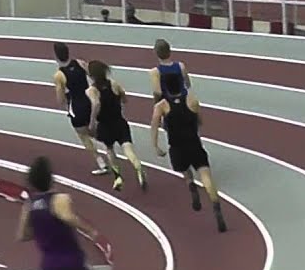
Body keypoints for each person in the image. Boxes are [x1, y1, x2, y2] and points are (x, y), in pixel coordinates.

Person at [150, 71, 227, 232]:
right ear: (181, 85)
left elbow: (154, 126)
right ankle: (216, 205)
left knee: (184, 170)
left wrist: (155, 145)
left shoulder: (161, 106)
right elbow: (200, 121)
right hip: (194, 144)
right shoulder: (192, 101)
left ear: (166, 88)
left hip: (177, 147)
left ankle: (191, 184)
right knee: (206, 176)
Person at [86, 60, 146, 192]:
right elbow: (124, 98)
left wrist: (92, 122)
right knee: (128, 149)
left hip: (105, 125)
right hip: (119, 122)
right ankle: (137, 166)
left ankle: (118, 177)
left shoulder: (92, 90)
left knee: (109, 150)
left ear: (91, 75)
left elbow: (96, 104)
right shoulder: (114, 84)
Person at [51, 42, 107, 175]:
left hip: (76, 107)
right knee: (96, 130)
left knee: (83, 136)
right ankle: (110, 152)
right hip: (89, 101)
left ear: (56, 57)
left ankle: (101, 162)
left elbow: (60, 100)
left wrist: (67, 99)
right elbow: (94, 77)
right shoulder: (80, 63)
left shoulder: (59, 75)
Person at [148, 38, 191, 102]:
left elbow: (157, 92)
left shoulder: (155, 71)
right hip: (182, 101)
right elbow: (188, 84)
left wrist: (156, 104)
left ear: (156, 53)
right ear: (169, 51)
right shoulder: (181, 66)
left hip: (167, 103)